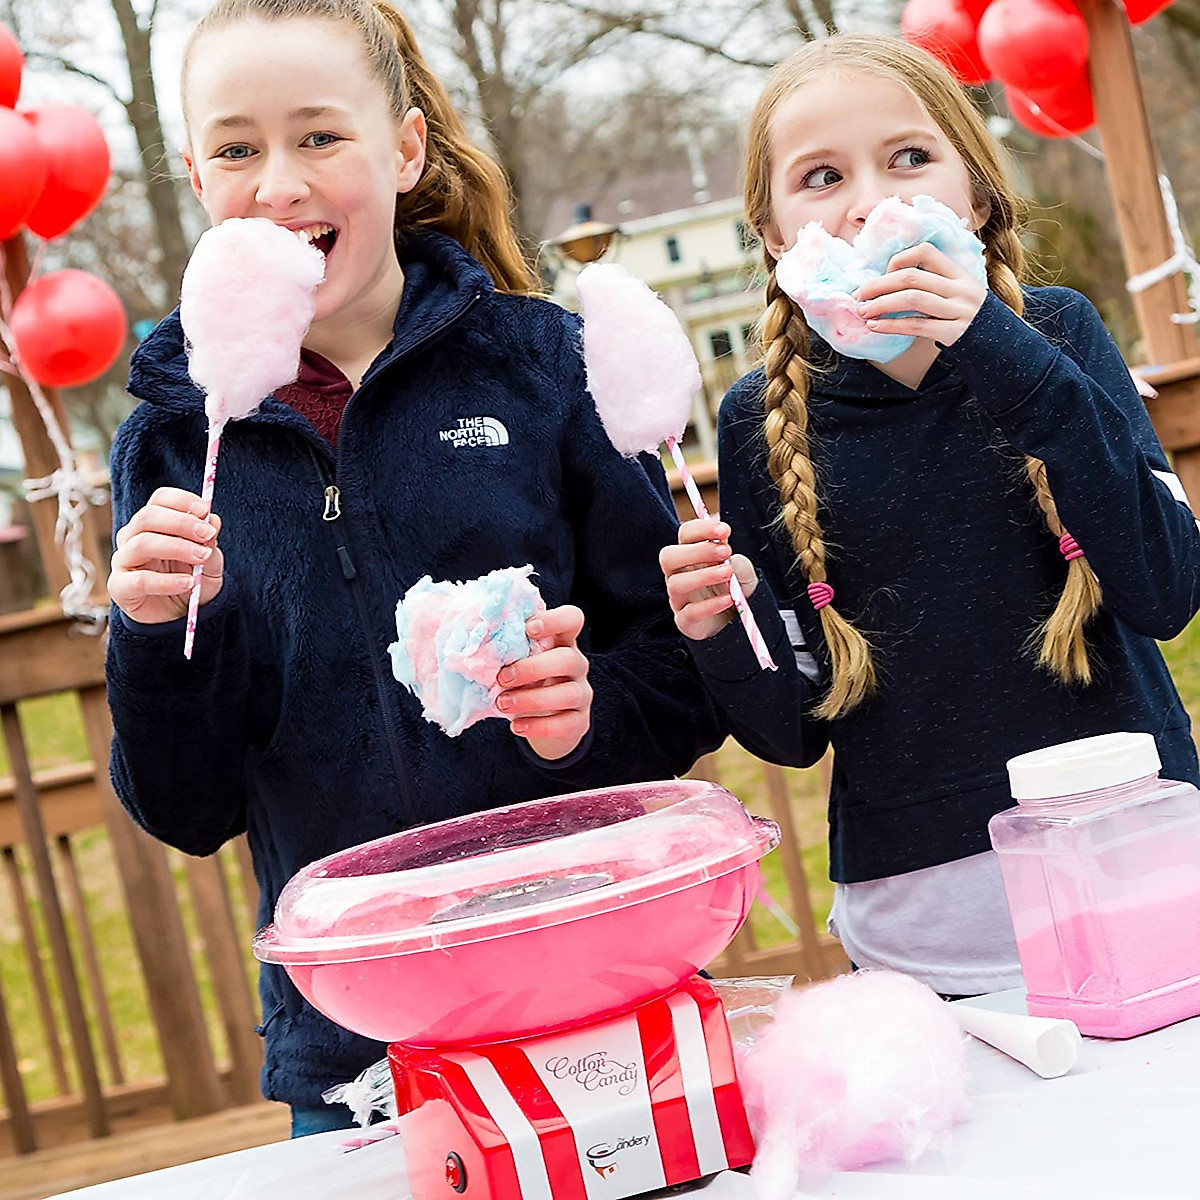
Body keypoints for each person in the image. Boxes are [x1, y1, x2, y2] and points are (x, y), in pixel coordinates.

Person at [105, 0, 721, 1136]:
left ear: (404, 148)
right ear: (198, 178)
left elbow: (683, 672)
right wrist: (152, 634)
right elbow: (185, 808)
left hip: (589, 986)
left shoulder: (544, 367)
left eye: (320, 136)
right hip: (358, 1053)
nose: (278, 183)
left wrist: (586, 714)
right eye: (237, 148)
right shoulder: (171, 445)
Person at [660, 33, 1200, 1002]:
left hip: (1136, 880)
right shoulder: (755, 423)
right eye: (822, 176)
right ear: (778, 237)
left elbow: (1165, 588)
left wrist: (1003, 351)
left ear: (978, 196)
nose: (870, 201)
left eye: (909, 158)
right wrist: (721, 628)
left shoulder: (1060, 335)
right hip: (922, 942)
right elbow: (793, 730)